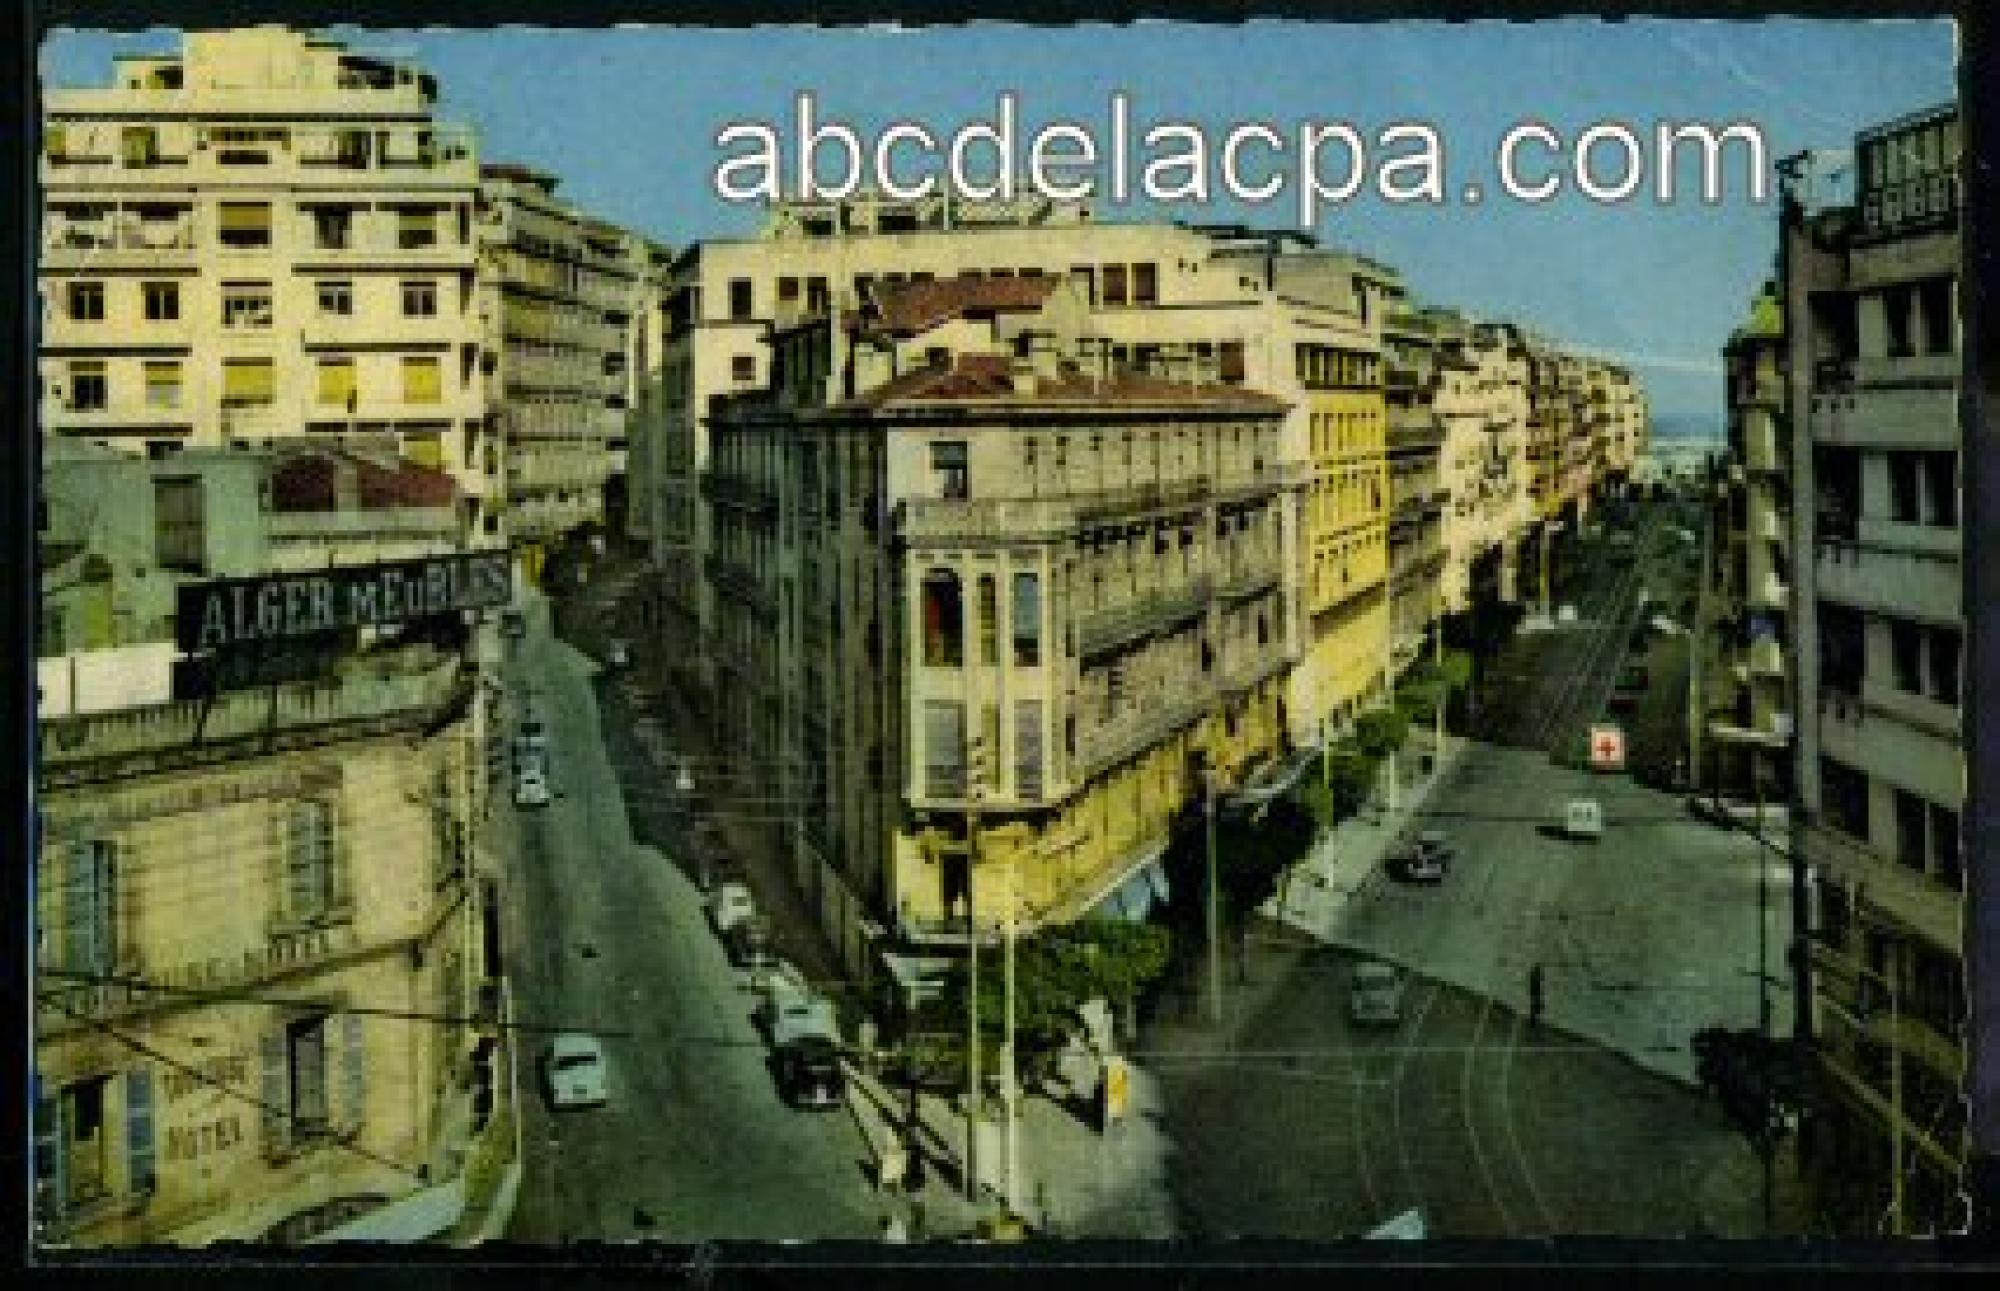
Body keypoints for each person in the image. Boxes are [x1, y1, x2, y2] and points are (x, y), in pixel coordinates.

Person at [1528, 963, 1546, 1031]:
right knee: (1535, 1009)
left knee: (1534, 1009)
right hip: (1536, 995)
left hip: (1535, 995)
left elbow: (1535, 986)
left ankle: (1533, 1023)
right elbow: (1538, 986)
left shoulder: (1533, 976)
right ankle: (1534, 1024)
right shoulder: (1536, 977)